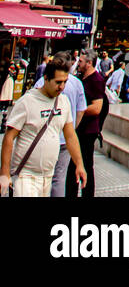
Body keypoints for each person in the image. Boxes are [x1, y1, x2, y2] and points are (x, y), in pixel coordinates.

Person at [0, 55, 86, 198]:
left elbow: (70, 135)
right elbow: (9, 137)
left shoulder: (63, 102)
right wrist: (4, 173)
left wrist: (79, 164)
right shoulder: (27, 102)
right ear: (45, 78)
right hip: (26, 176)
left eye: (65, 82)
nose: (62, 87)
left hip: (48, 176)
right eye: (58, 82)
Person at [34, 50, 86, 197]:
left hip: (45, 138)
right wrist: (70, 128)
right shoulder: (77, 83)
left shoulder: (42, 82)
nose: (61, 86)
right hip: (64, 140)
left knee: (42, 178)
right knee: (58, 179)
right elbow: (81, 111)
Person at [71, 48, 106, 198]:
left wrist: (78, 110)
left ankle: (87, 194)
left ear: (89, 63)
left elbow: (97, 108)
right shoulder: (81, 78)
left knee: (85, 165)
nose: (78, 63)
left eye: (81, 61)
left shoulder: (97, 80)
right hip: (79, 128)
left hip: (88, 131)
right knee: (73, 165)